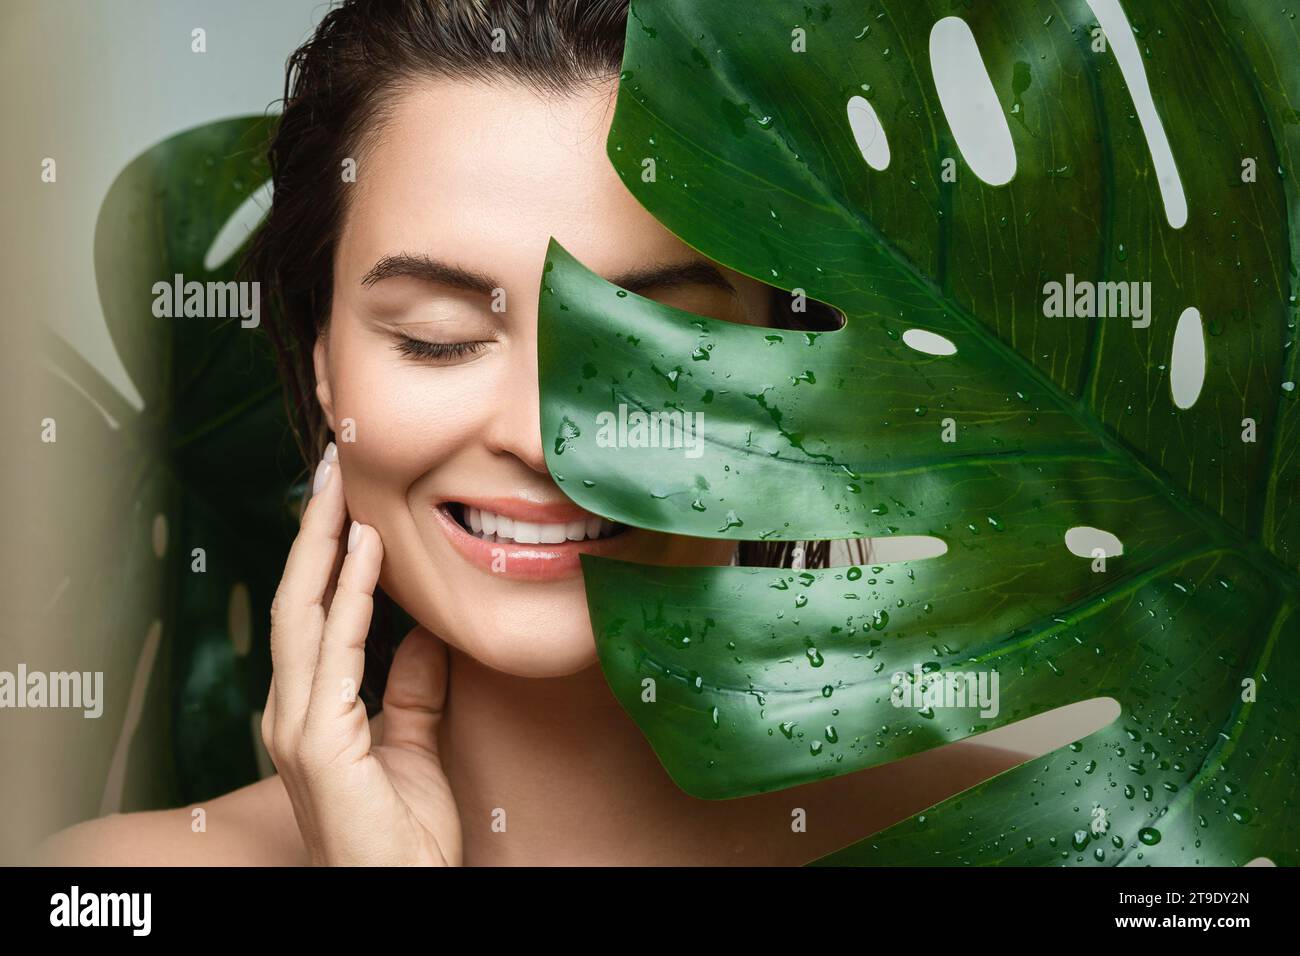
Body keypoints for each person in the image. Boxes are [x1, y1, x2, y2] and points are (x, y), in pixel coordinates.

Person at [36, 0, 1027, 866]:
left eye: (642, 344)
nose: (541, 437)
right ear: (321, 352)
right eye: (440, 338)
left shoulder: (1042, 836)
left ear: (787, 364)